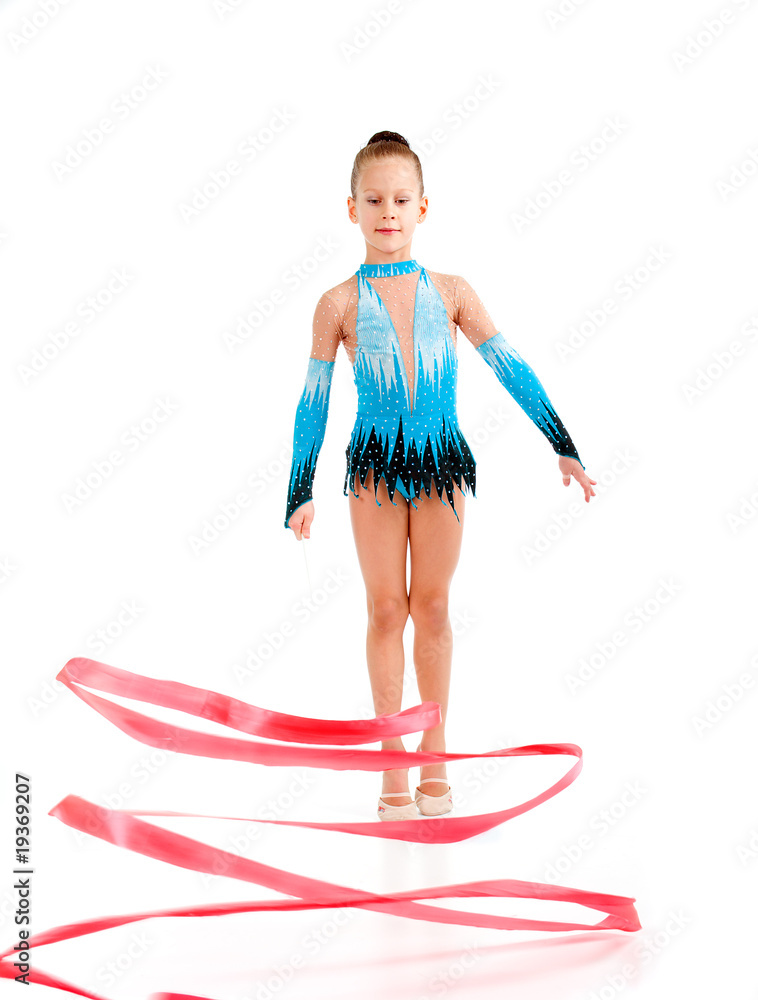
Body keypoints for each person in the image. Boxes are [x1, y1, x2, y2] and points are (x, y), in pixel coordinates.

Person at [284, 130, 597, 821]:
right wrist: (299, 490)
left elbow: (507, 364)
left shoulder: (452, 291)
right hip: (372, 472)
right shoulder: (335, 303)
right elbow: (314, 400)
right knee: (384, 609)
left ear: (424, 207)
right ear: (351, 209)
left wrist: (562, 444)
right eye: (374, 199)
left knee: (431, 608)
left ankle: (434, 753)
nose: (387, 210)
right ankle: (394, 772)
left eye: (400, 198)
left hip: (441, 469)